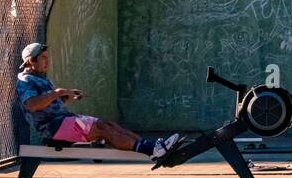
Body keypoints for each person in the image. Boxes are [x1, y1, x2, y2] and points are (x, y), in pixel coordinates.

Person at [15, 43, 183, 162]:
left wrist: (64, 97)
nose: (47, 61)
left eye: (47, 58)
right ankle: (152, 150)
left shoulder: (40, 79)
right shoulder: (25, 79)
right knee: (102, 128)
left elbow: (47, 105)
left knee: (107, 124)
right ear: (31, 61)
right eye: (43, 58)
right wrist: (57, 93)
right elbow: (31, 105)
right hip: (52, 129)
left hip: (62, 122)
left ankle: (153, 148)